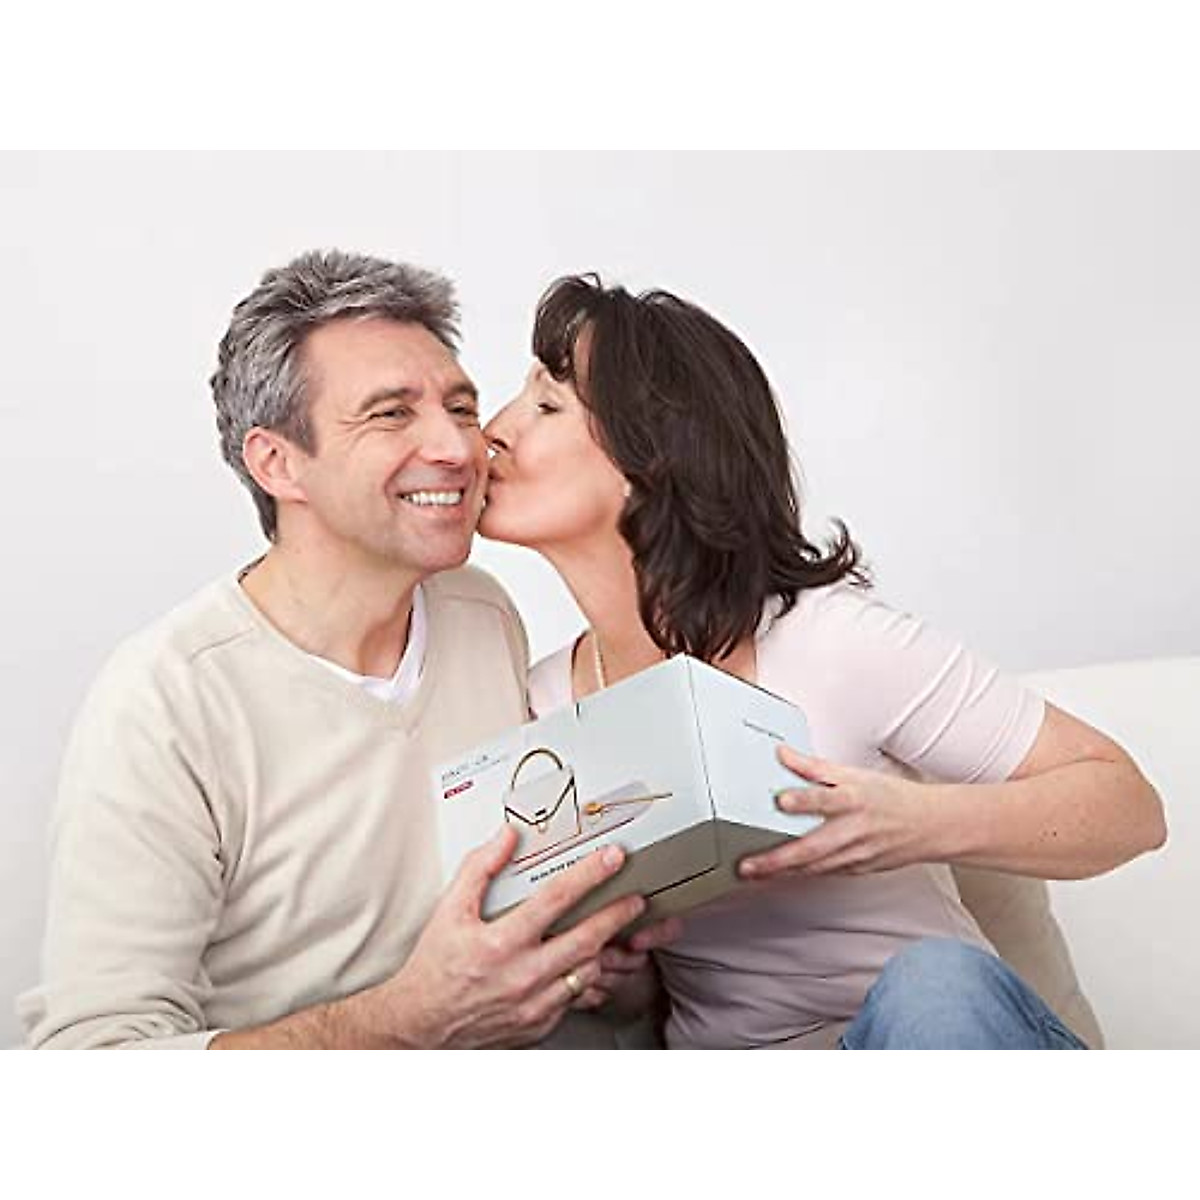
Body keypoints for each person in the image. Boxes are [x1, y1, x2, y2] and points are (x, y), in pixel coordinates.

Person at [479, 273, 1168, 1049]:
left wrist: (918, 823)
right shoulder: (544, 714)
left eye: (546, 406)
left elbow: (1131, 808)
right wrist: (611, 965)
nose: (493, 430)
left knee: (932, 983)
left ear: (651, 460)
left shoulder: (829, 645)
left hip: (933, 1038)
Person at [17, 250, 651, 1049]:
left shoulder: (479, 613)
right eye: (390, 414)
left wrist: (589, 964)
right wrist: (404, 1022)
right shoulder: (166, 701)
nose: (459, 449)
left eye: (460, 407)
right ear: (277, 462)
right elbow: (90, 1057)